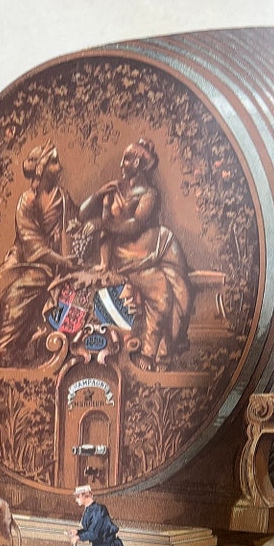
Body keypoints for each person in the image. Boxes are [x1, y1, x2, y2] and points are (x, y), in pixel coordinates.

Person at [78, 137, 192, 372]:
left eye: (127, 158)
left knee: (178, 289)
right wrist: (99, 194)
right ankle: (149, 354)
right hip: (125, 256)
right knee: (162, 293)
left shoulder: (149, 194)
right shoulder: (114, 189)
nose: (121, 163)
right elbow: (82, 214)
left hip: (154, 246)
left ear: (138, 162)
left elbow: (135, 225)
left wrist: (102, 224)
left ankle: (157, 352)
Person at [0, 140, 81, 368]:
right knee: (4, 293)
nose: (60, 167)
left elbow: (75, 223)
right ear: (42, 170)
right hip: (24, 260)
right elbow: (31, 243)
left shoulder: (62, 197)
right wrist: (62, 260)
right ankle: (5, 348)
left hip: (50, 265)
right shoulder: (26, 202)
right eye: (54, 162)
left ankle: (4, 349)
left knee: (28, 287)